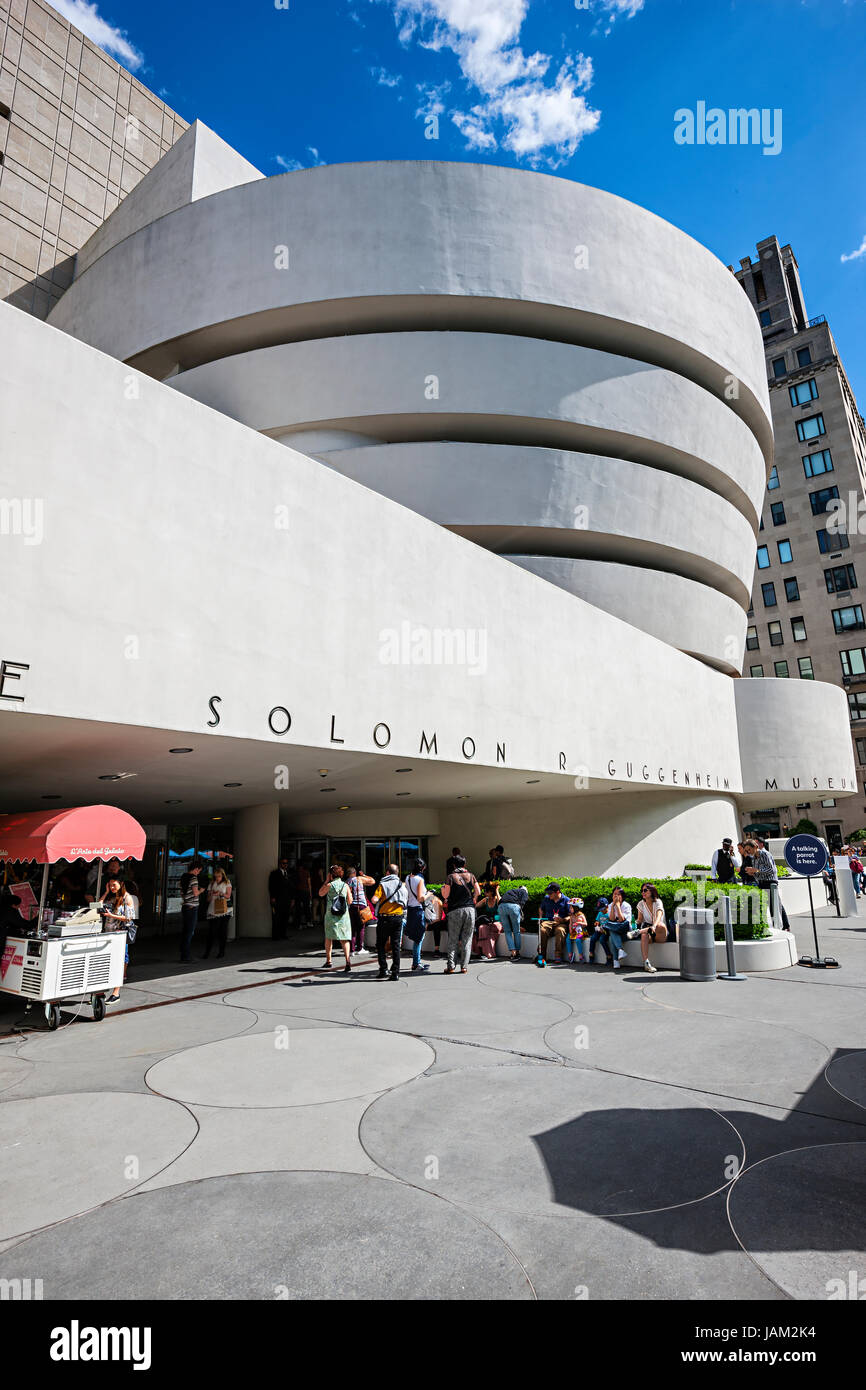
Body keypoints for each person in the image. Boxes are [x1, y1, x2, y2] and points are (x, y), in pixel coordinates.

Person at [441, 854, 480, 974]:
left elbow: (446, 895)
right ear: (464, 864)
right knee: (467, 940)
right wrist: (473, 898)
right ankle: (464, 967)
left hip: (455, 911)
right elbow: (478, 891)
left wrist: (443, 889)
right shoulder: (471, 876)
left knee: (453, 939)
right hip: (470, 910)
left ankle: (451, 967)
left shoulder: (451, 877)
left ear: (453, 865)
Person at [100, 877, 135, 1001]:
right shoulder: (111, 897)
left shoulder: (127, 898)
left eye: (114, 885)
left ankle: (116, 993)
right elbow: (98, 905)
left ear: (121, 884)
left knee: (119, 962)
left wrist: (110, 915)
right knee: (107, 962)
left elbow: (129, 918)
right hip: (108, 933)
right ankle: (101, 993)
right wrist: (105, 892)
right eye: (110, 885)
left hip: (120, 935)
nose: (112, 887)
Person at [372, 864, 409, 979]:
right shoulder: (402, 885)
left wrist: (377, 898)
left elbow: (374, 900)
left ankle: (383, 969)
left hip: (385, 918)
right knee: (396, 945)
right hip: (398, 918)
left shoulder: (383, 884)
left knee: (381, 944)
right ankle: (395, 972)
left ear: (387, 872)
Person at [751, 837, 791, 932]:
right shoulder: (754, 857)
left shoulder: (765, 854)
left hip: (770, 883)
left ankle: (782, 926)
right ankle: (782, 926)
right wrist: (753, 873)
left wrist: (757, 871)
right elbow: (758, 871)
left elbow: (771, 869)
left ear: (760, 844)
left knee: (776, 905)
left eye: (755, 843)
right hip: (761, 883)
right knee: (772, 905)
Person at [627, 883, 668, 973]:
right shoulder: (641, 904)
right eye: (642, 891)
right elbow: (640, 919)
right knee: (644, 935)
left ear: (652, 891)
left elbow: (659, 916)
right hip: (648, 931)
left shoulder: (658, 902)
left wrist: (654, 926)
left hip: (660, 933)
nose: (643, 892)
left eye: (645, 890)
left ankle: (637, 932)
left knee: (660, 925)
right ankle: (646, 963)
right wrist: (632, 922)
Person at [319, 864, 352, 971]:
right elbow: (350, 901)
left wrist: (326, 881)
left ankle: (329, 961)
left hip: (331, 915)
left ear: (331, 875)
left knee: (329, 937)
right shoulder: (345, 885)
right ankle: (347, 961)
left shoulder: (329, 885)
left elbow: (320, 894)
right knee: (344, 939)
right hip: (343, 916)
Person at [404, 859, 430, 973]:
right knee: (419, 937)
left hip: (410, 909)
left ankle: (416, 962)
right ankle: (416, 963)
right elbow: (420, 898)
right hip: (418, 910)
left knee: (416, 936)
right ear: (423, 868)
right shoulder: (420, 879)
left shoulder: (407, 878)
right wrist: (430, 893)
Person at [538, 883, 572, 965]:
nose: (548, 895)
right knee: (542, 930)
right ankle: (542, 956)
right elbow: (541, 908)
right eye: (547, 893)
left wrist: (563, 919)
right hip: (548, 922)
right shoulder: (546, 899)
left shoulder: (567, 900)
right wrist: (540, 917)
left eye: (550, 893)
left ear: (557, 892)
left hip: (561, 923)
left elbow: (571, 916)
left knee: (560, 930)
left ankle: (558, 956)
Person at [203, 866, 232, 959]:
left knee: (222, 932)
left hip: (224, 910)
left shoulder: (227, 883)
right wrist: (211, 894)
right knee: (212, 932)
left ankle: (221, 952)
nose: (217, 878)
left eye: (219, 876)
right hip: (213, 910)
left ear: (222, 876)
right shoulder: (211, 884)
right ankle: (207, 952)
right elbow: (207, 899)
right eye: (215, 876)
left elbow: (228, 896)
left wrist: (220, 893)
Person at [346, 865, 374, 956]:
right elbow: (372, 881)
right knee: (361, 927)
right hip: (361, 905)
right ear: (354, 873)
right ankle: (360, 948)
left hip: (351, 907)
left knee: (352, 928)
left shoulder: (346, 882)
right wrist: (364, 875)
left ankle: (351, 950)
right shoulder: (359, 879)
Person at [179, 862, 202, 963]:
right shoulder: (193, 878)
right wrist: (202, 890)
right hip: (192, 907)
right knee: (189, 932)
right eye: (199, 871)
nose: (198, 873)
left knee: (185, 932)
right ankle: (186, 956)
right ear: (196, 869)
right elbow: (196, 893)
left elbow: (182, 894)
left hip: (185, 906)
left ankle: (184, 954)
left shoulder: (183, 877)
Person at [498, 883, 528, 960]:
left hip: (501, 907)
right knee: (516, 931)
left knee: (507, 931)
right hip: (513, 907)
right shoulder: (524, 892)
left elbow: (501, 900)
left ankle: (512, 952)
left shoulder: (511, 891)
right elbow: (523, 901)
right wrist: (519, 911)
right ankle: (517, 952)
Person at [268, 857, 294, 940]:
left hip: (287, 899)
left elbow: (291, 887)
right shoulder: (274, 873)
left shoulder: (289, 874)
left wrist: (292, 899)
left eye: (286, 863)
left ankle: (283, 934)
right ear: (280, 864)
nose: (285, 865)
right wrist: (272, 897)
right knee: (277, 917)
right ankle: (276, 936)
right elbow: (271, 886)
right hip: (278, 899)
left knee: (285, 917)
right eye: (283, 863)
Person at [474, 884, 502, 959]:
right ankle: (483, 952)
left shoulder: (496, 899)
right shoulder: (485, 900)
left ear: (491, 892)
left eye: (486, 892)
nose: (485, 893)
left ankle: (489, 952)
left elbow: (500, 903)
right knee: (481, 927)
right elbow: (476, 906)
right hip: (489, 922)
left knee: (488, 929)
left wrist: (497, 891)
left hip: (498, 922)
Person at [586, 896, 615, 968]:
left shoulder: (609, 913)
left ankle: (609, 956)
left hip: (606, 930)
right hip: (600, 929)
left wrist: (604, 928)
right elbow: (597, 920)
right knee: (593, 938)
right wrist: (596, 923)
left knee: (602, 940)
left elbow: (611, 923)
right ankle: (591, 953)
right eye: (600, 909)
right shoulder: (600, 913)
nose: (601, 911)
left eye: (603, 909)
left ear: (607, 906)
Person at [606, 885, 631, 967]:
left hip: (626, 932)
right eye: (614, 894)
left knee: (612, 931)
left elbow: (621, 920)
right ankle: (620, 950)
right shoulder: (610, 905)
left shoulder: (626, 905)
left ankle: (615, 960)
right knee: (611, 933)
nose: (616, 896)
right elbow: (612, 919)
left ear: (622, 896)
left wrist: (617, 905)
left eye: (618, 894)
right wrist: (613, 906)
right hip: (616, 932)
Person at [423, 885, 446, 957]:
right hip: (430, 921)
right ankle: (419, 949)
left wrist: (428, 923)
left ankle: (437, 950)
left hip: (437, 921)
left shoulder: (438, 902)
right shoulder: (426, 902)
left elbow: (438, 918)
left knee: (437, 927)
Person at [567, 897, 587, 964]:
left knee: (578, 940)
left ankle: (581, 955)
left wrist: (579, 923)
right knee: (568, 939)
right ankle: (570, 954)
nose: (570, 909)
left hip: (581, 931)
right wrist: (570, 930)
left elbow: (585, 924)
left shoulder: (581, 915)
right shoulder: (571, 916)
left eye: (571, 907)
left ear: (576, 908)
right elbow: (570, 924)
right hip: (574, 931)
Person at [295, 860, 312, 929]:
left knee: (298, 908)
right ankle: (308, 922)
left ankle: (299, 924)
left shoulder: (296, 872)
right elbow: (309, 884)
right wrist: (310, 893)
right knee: (306, 907)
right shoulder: (307, 872)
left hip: (298, 891)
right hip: (306, 891)